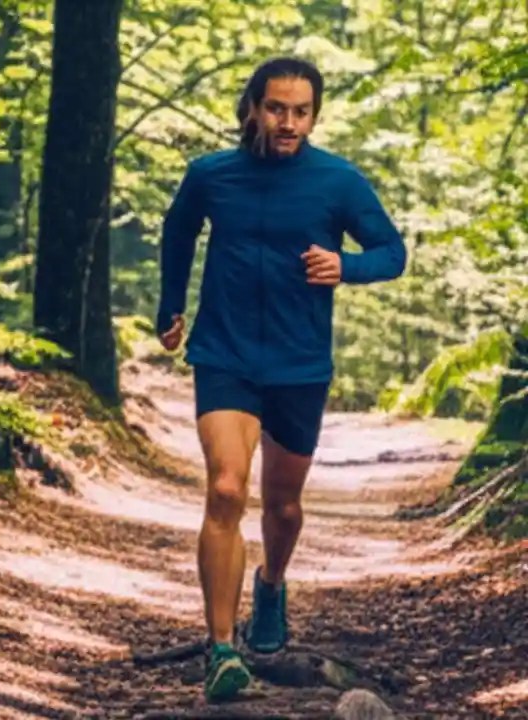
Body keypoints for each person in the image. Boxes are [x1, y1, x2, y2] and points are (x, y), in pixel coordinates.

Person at [155, 57, 407, 702]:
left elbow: (391, 252)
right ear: (252, 108)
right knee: (225, 488)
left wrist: (345, 266)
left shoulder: (337, 181)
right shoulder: (211, 175)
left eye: (300, 111)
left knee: (284, 507)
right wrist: (169, 305)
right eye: (276, 108)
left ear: (314, 115)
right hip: (226, 353)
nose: (287, 122)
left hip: (298, 364)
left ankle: (271, 586)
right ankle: (220, 650)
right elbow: (177, 230)